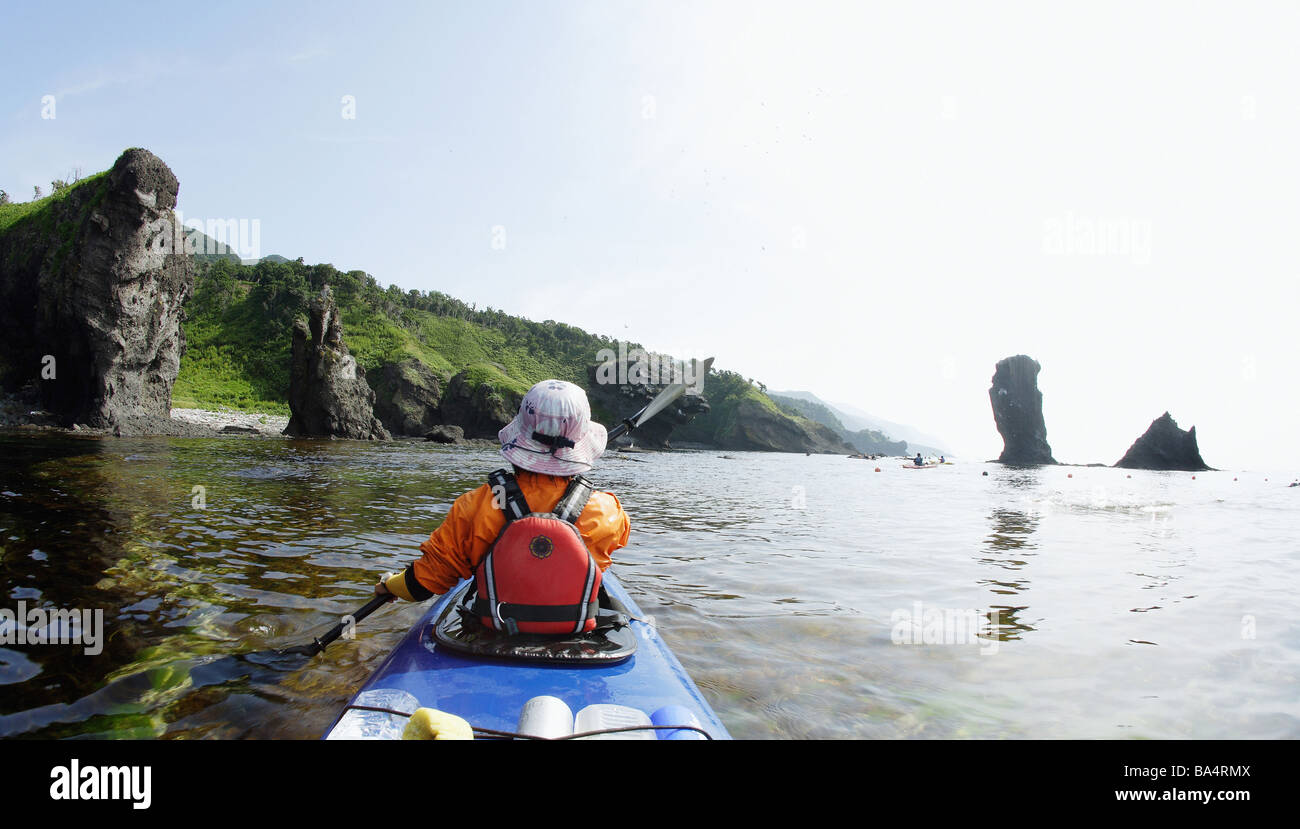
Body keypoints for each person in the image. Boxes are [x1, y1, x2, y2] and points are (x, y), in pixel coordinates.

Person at [376, 379, 630, 632]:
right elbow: (620, 536)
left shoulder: (474, 506)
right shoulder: (607, 510)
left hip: (494, 632)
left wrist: (390, 584)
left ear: (519, 437)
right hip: (575, 634)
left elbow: (421, 585)